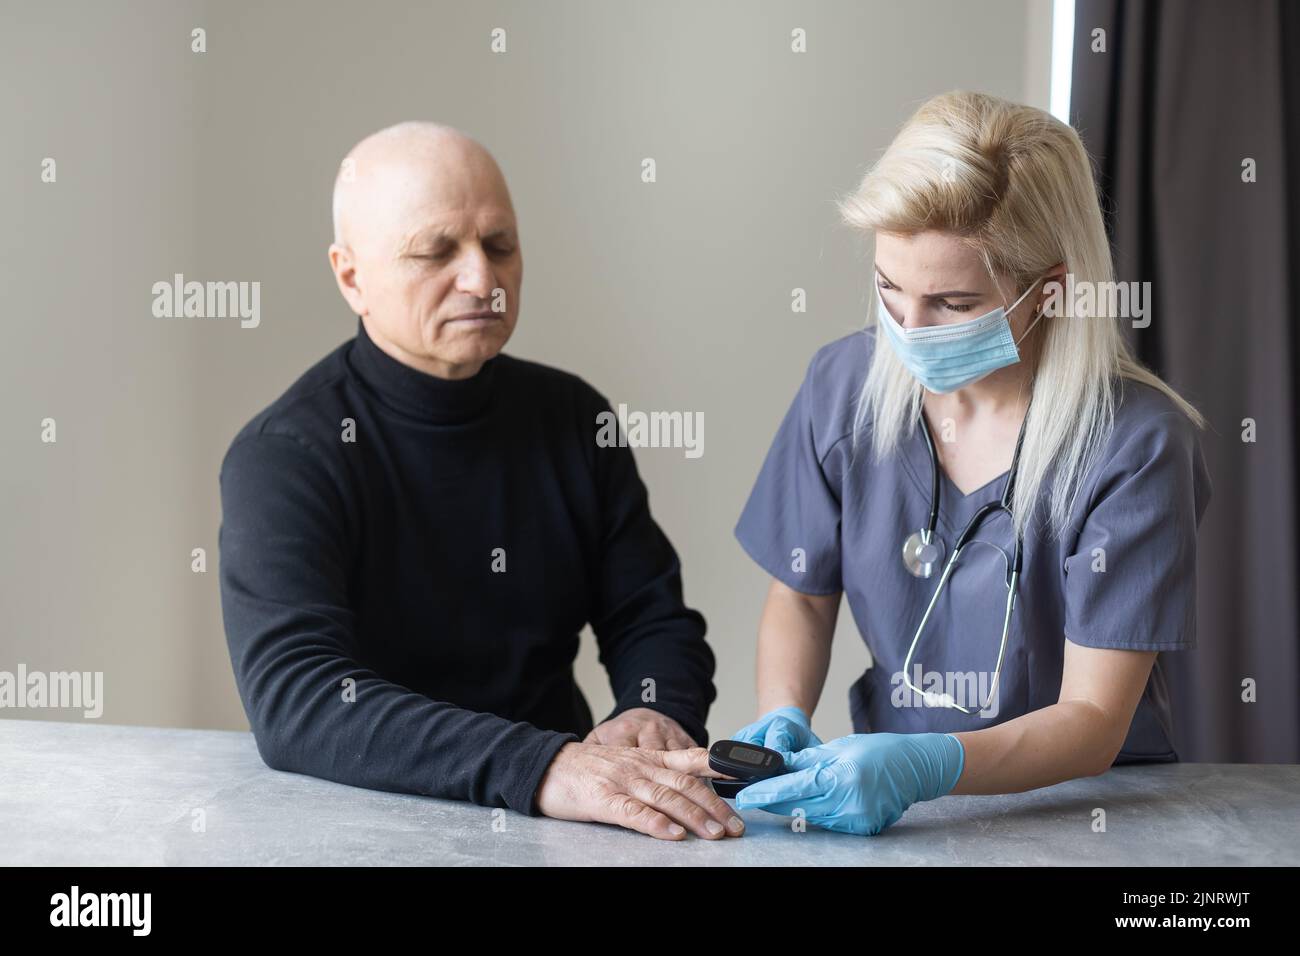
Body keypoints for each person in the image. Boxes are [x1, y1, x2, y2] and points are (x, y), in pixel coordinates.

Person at [219, 122, 742, 842]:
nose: (482, 280)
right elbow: (299, 700)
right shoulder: (287, 454)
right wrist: (545, 764)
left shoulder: (572, 416)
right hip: (361, 826)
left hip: (563, 825)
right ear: (351, 277)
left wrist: (654, 712)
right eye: (435, 251)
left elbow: (650, 617)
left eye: (500, 245)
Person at [727, 91, 1212, 835]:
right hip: (894, 819)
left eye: (951, 304)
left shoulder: (1137, 446)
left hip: (1090, 816)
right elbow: (799, 593)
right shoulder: (841, 388)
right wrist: (783, 711)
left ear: (1050, 291)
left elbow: (1093, 717)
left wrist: (932, 766)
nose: (906, 331)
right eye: (889, 289)